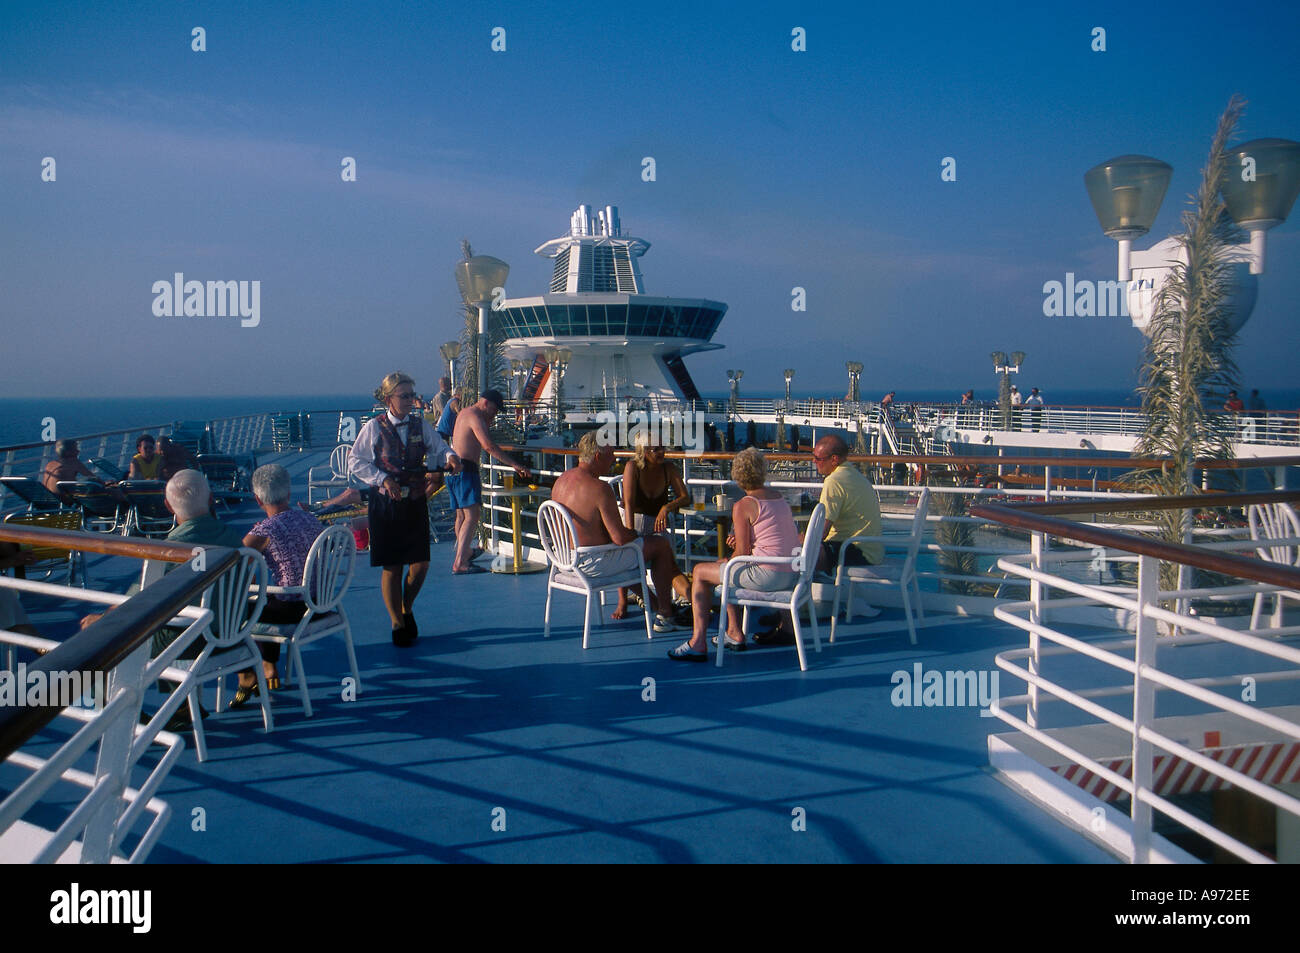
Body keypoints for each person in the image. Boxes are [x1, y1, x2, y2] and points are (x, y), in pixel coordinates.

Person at [350, 372, 461, 645]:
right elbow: (355, 461)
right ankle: (397, 622)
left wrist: (451, 456)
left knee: (421, 564)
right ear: (389, 399)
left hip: (413, 500)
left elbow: (439, 445)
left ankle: (406, 606)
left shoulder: (420, 425)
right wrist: (382, 478)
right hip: (386, 504)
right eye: (405, 396)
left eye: (412, 395)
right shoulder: (373, 428)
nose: (411, 400)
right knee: (393, 566)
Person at [668, 448, 800, 661]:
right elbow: (764, 540)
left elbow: (743, 552)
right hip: (791, 573)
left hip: (768, 575)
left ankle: (698, 642)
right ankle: (733, 632)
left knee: (701, 571)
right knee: (725, 570)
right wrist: (732, 555)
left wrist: (729, 557)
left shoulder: (744, 505)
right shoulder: (779, 498)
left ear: (737, 476)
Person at [551, 432, 685, 634]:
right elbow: (620, 538)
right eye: (611, 454)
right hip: (593, 564)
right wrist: (635, 535)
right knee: (660, 546)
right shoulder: (599, 488)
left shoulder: (561, 480)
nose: (614, 458)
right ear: (598, 457)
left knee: (630, 554)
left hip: (565, 561)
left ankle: (658, 605)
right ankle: (665, 615)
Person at [759, 435, 884, 646]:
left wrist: (790, 542)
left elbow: (820, 533)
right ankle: (785, 611)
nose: (814, 462)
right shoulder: (853, 474)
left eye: (818, 458)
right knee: (793, 553)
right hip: (869, 548)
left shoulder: (834, 481)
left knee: (787, 557)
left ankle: (787, 623)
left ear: (834, 459)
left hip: (852, 550)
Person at [232, 464, 323, 704]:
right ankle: (269, 666)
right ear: (289, 493)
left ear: (257, 499)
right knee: (265, 600)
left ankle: (247, 674)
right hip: (321, 602)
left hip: (293, 609)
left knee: (233, 611)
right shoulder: (309, 518)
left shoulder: (263, 531)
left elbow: (237, 562)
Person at [448, 389, 530, 574]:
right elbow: (488, 446)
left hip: (453, 470)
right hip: (466, 470)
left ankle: (465, 553)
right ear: (485, 403)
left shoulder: (465, 412)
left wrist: (487, 421)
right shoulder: (475, 416)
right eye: (495, 409)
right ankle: (460, 562)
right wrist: (515, 464)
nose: (495, 413)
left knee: (461, 516)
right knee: (472, 516)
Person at [614, 432, 691, 619]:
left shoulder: (669, 468)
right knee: (628, 563)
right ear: (644, 451)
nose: (662, 452)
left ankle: (692, 599)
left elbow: (685, 496)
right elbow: (629, 504)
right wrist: (630, 533)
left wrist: (666, 507)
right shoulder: (632, 467)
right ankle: (623, 601)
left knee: (670, 566)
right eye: (656, 449)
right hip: (634, 520)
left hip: (656, 524)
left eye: (663, 447)